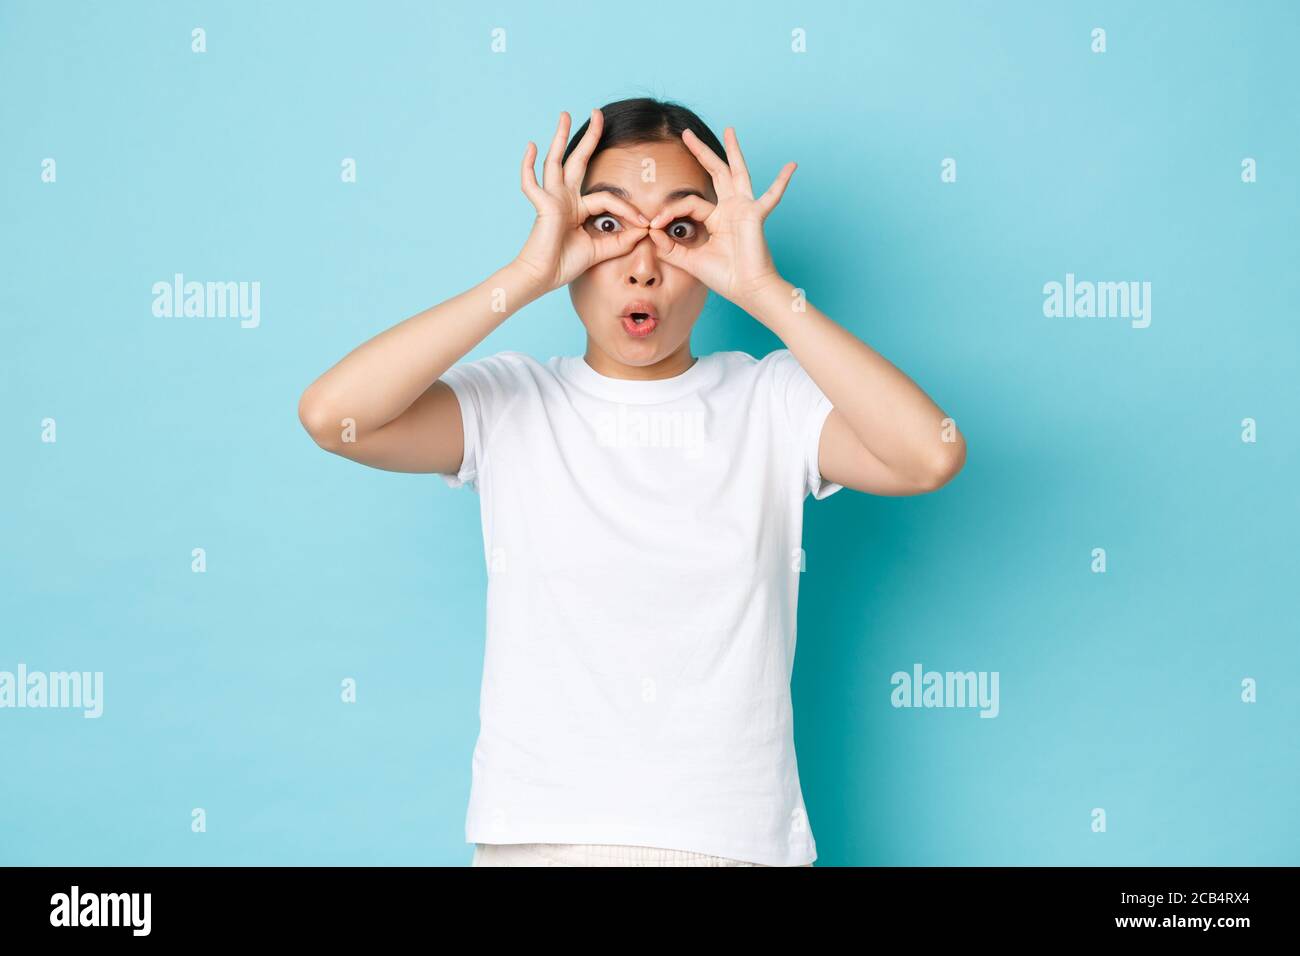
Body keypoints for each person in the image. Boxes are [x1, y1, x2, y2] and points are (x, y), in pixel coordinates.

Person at [297, 97, 966, 867]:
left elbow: (930, 455)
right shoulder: (513, 403)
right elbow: (332, 415)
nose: (643, 265)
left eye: (680, 229)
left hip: (733, 846)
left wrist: (765, 291)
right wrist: (523, 276)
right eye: (608, 225)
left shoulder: (771, 401)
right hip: (539, 844)